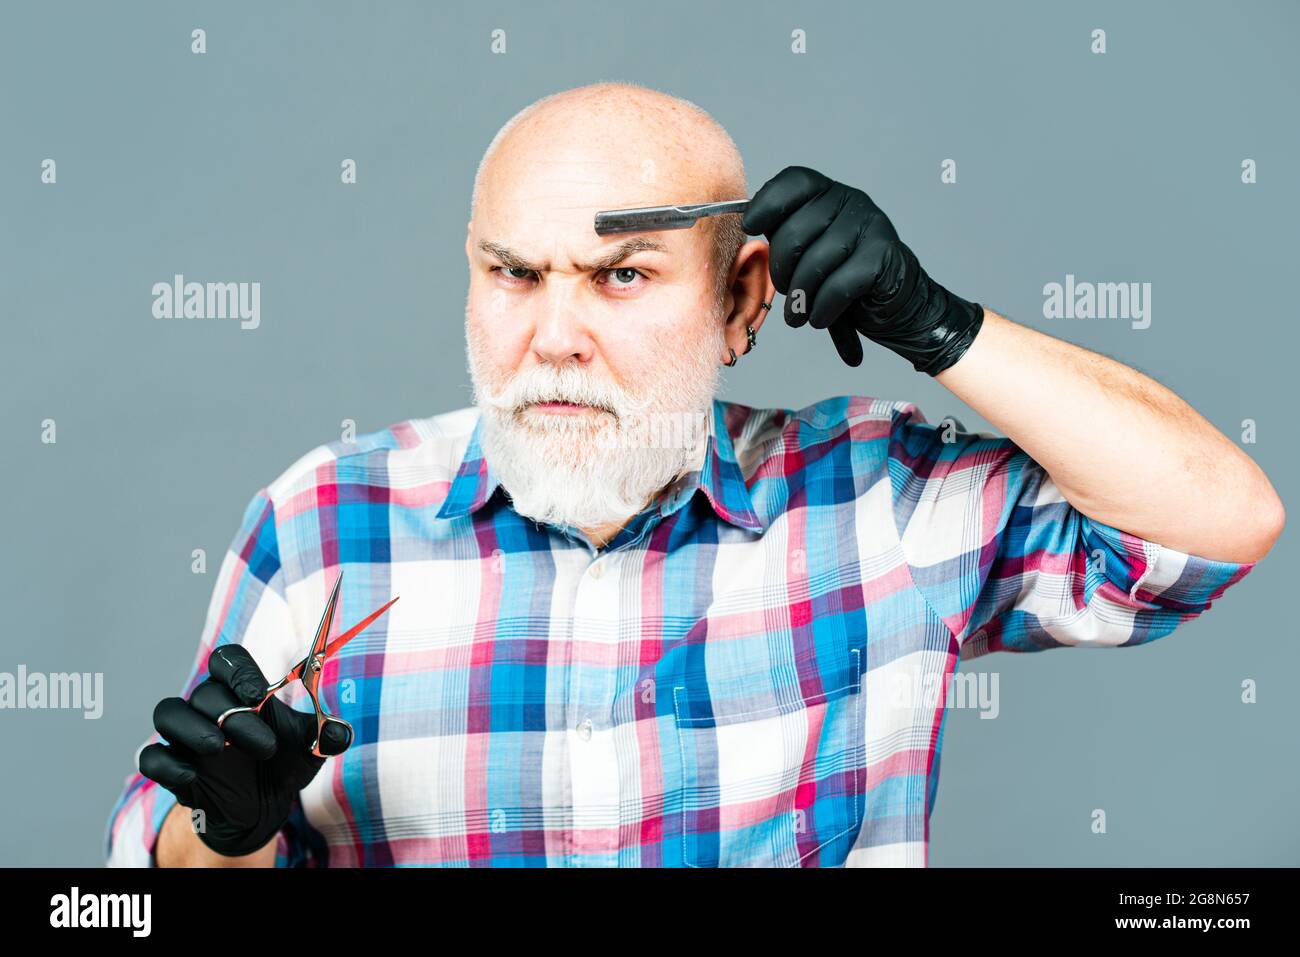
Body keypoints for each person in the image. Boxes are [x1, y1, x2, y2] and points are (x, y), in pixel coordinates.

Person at [105, 81, 1283, 868]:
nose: (553, 334)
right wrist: (225, 833)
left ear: (744, 300)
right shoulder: (327, 520)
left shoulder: (880, 500)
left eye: (621, 278)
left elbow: (1216, 521)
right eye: (515, 273)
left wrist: (940, 326)